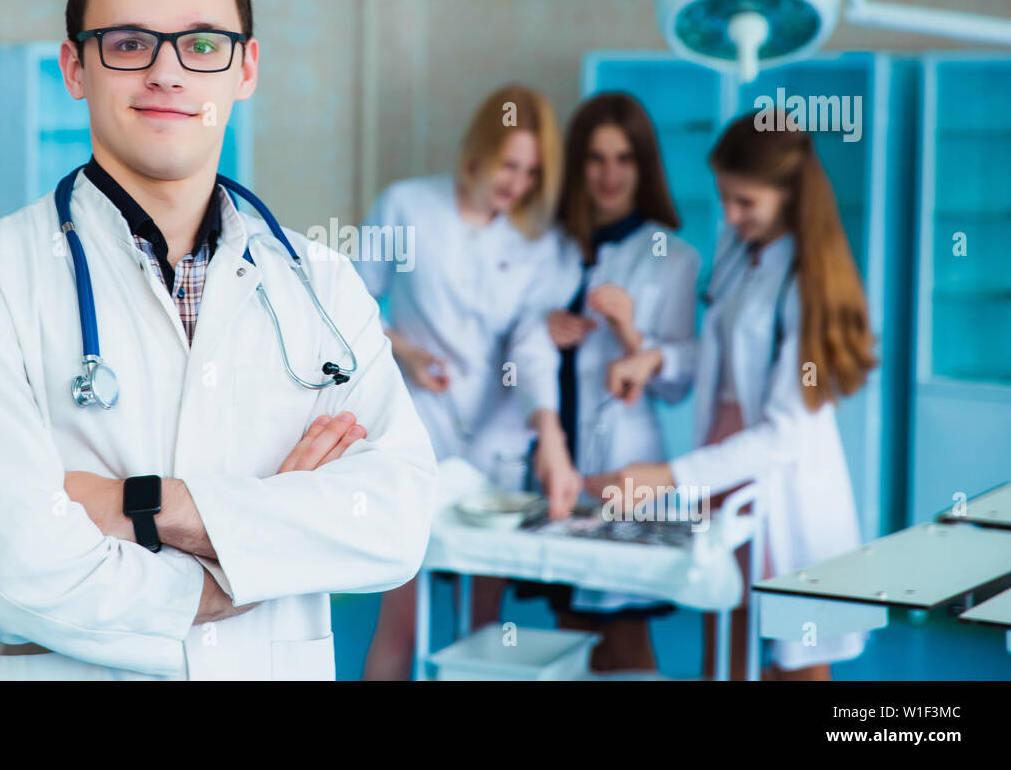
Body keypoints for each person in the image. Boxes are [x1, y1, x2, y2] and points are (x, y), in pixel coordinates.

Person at [0, 0, 438, 681]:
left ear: (245, 68)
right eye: (128, 43)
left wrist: (153, 506)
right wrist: (250, 558)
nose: (168, 73)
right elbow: (12, 575)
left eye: (201, 44)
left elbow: (396, 524)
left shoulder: (320, 284)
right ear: (75, 67)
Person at [594, 109, 876, 679]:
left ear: (790, 194)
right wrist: (658, 356)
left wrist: (666, 477)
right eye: (723, 198)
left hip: (775, 480)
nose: (729, 214)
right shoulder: (739, 251)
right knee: (724, 648)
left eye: (745, 202)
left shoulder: (806, 283)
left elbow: (784, 433)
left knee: (797, 661)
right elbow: (726, 361)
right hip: (725, 479)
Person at [355, 84, 581, 681]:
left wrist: (549, 434)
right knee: (402, 614)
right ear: (480, 149)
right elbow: (349, 304)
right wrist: (402, 350)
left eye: (532, 173)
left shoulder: (543, 246)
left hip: (499, 442)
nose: (517, 183)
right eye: (510, 164)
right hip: (418, 427)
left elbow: (532, 350)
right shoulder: (406, 207)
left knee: (485, 623)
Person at [518, 92, 700, 673]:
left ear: (643, 166)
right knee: (574, 622)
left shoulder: (673, 257)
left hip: (626, 462)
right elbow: (522, 344)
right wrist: (542, 327)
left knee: (623, 625)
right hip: (557, 456)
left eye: (624, 159)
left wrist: (632, 335)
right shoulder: (550, 245)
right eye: (596, 159)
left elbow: (678, 382)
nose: (610, 174)